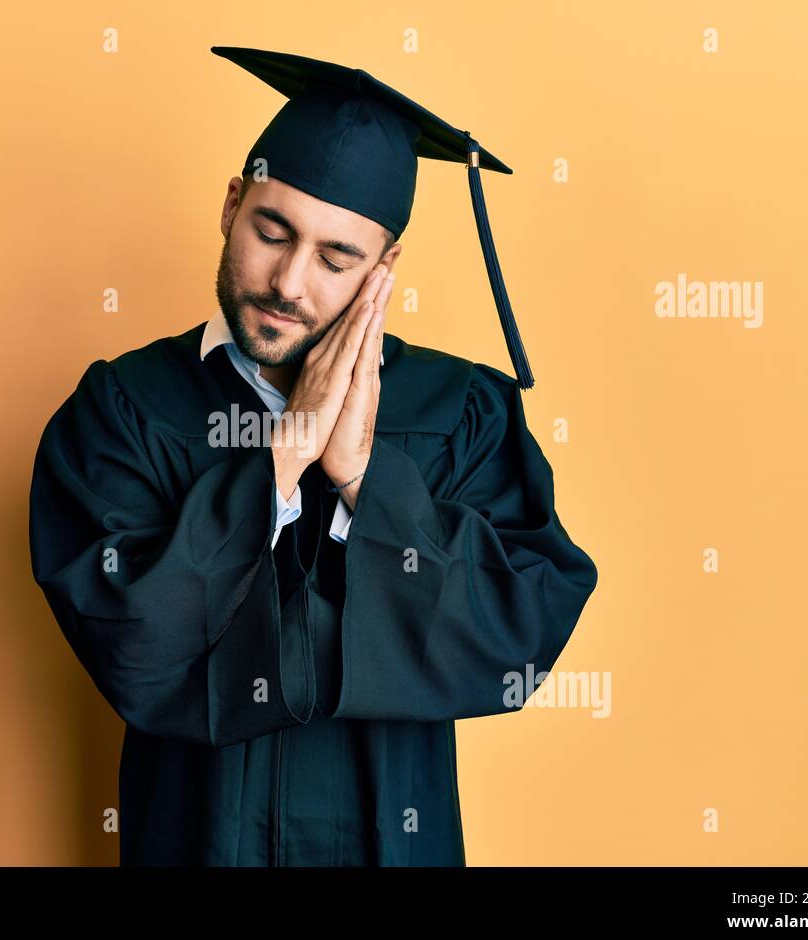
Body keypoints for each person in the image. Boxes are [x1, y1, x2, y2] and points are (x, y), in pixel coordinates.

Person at [29, 46, 598, 865]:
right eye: (272, 232)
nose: (291, 283)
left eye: (337, 259)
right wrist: (282, 459)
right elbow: (131, 642)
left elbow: (518, 635)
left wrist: (367, 480)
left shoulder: (459, 411)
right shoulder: (125, 410)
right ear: (232, 204)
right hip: (195, 841)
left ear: (384, 267)